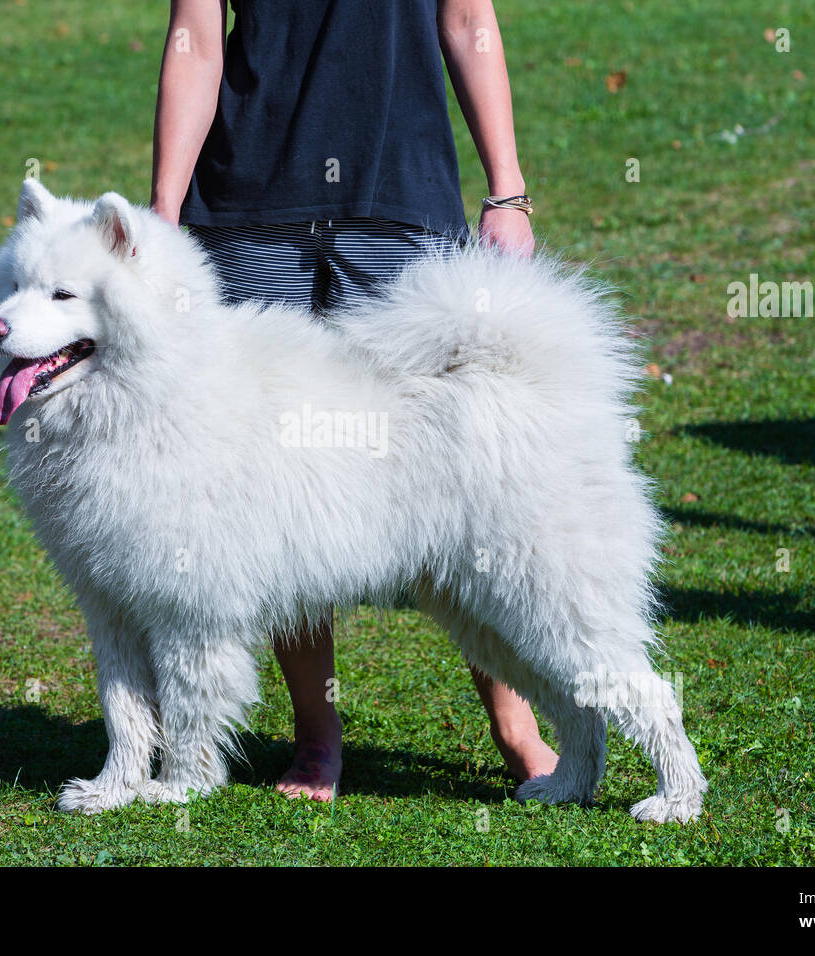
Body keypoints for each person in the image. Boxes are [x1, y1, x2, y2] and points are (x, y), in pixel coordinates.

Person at [150, 0, 557, 800]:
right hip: (247, 211)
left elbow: (469, 19)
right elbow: (195, 39)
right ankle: (316, 737)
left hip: (402, 197)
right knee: (280, 486)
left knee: (453, 470)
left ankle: (517, 725)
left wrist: (507, 190)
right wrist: (162, 215)